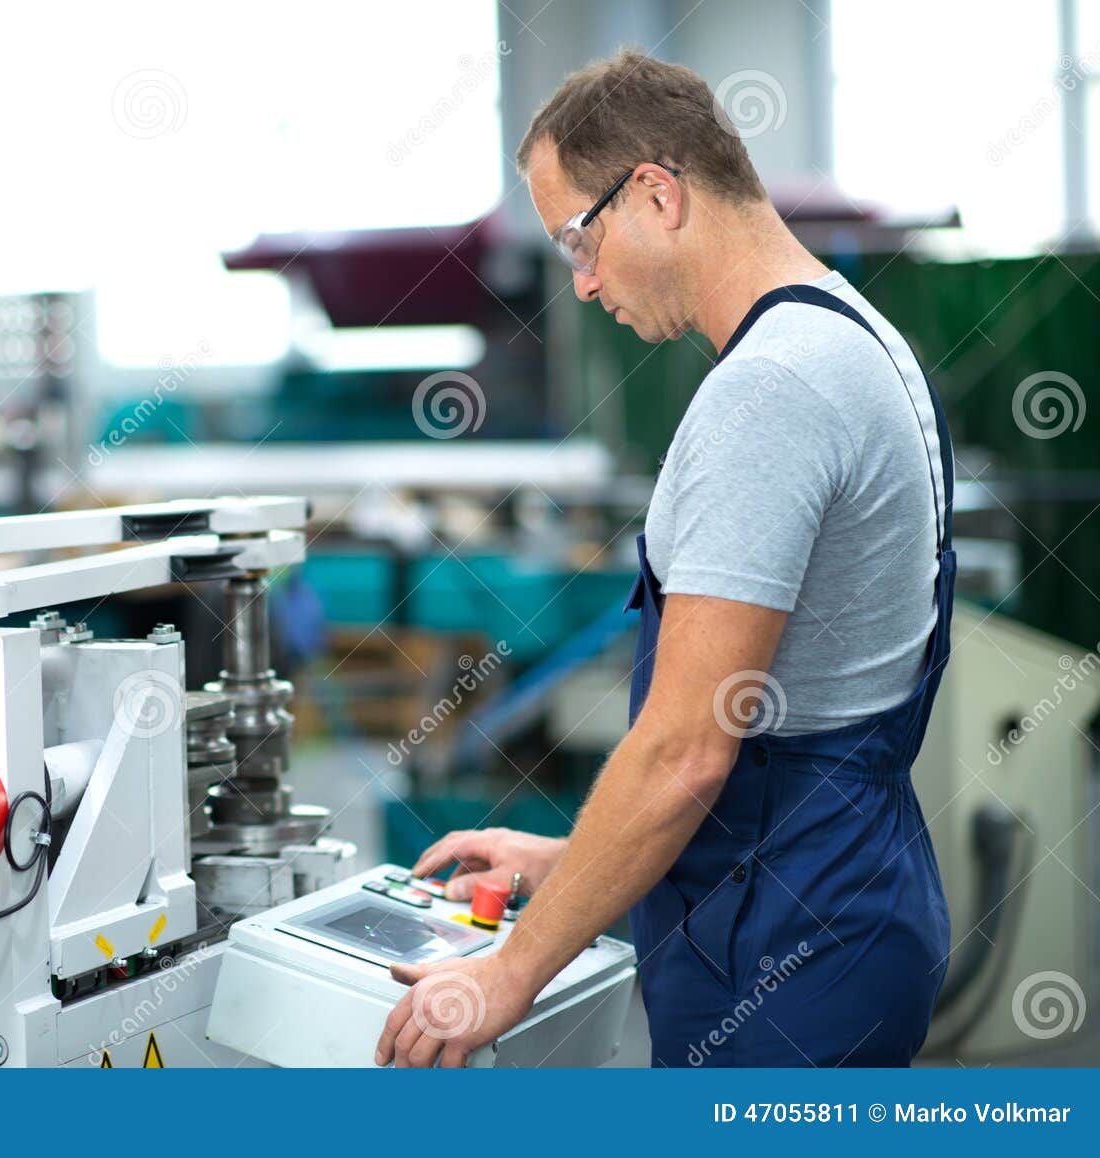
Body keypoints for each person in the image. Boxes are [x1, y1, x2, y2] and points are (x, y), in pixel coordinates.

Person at [377, 50, 954, 1068]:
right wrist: (570, 862)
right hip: (834, 904)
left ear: (656, 193)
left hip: (785, 945)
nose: (584, 281)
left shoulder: (771, 390)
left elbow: (687, 752)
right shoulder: (852, 336)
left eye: (579, 238)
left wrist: (507, 973)